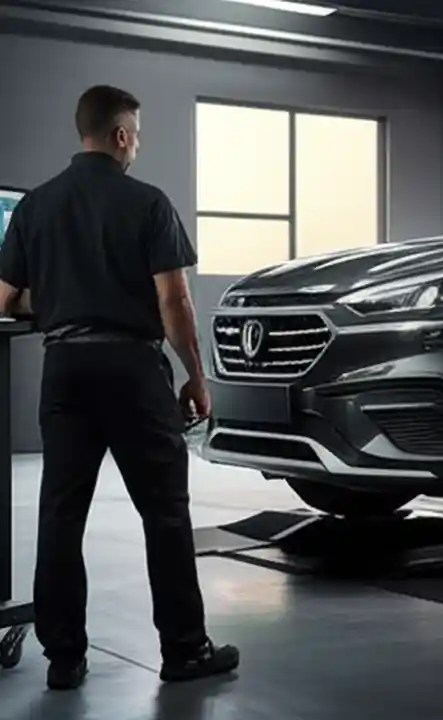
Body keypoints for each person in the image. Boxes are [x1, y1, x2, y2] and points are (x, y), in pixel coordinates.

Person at [0, 85, 239, 690]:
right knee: (164, 513)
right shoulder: (149, 203)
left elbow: (4, 300)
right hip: (132, 371)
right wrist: (196, 375)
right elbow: (174, 299)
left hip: (65, 370)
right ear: (122, 135)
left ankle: (63, 657)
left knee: (60, 512)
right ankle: (184, 650)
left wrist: (57, 297)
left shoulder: (35, 208)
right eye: (138, 132)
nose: (139, 143)